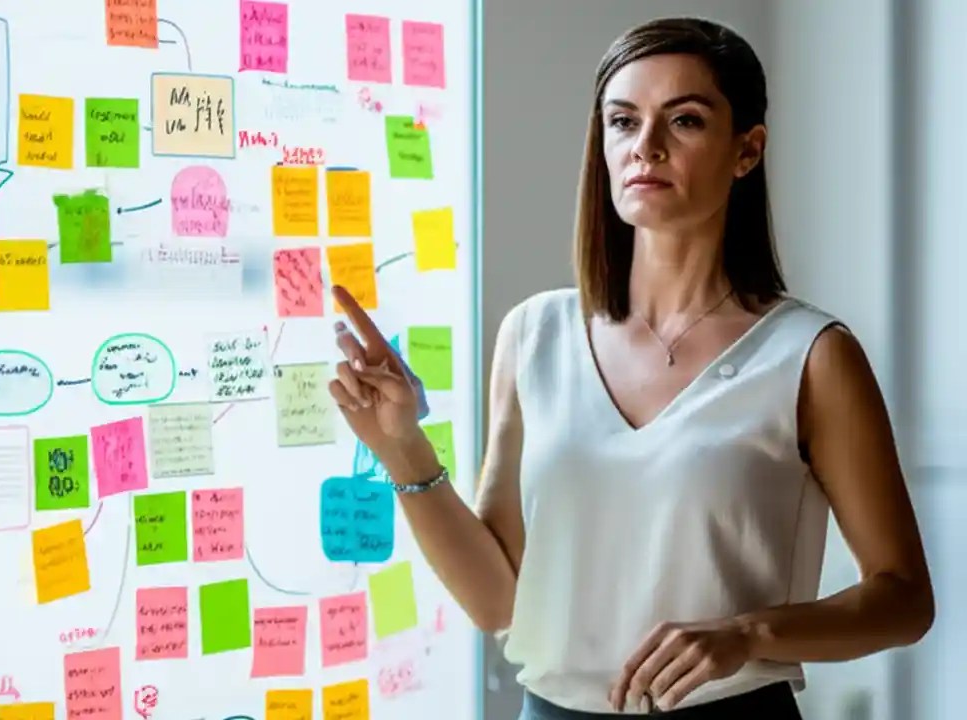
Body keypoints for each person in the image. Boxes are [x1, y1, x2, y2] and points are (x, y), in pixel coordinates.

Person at [328, 16, 934, 719]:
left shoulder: (810, 354)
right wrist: (401, 446)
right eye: (623, 121)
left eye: (684, 121)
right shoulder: (535, 334)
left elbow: (903, 599)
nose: (645, 147)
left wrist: (749, 633)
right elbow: (498, 600)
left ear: (747, 150)